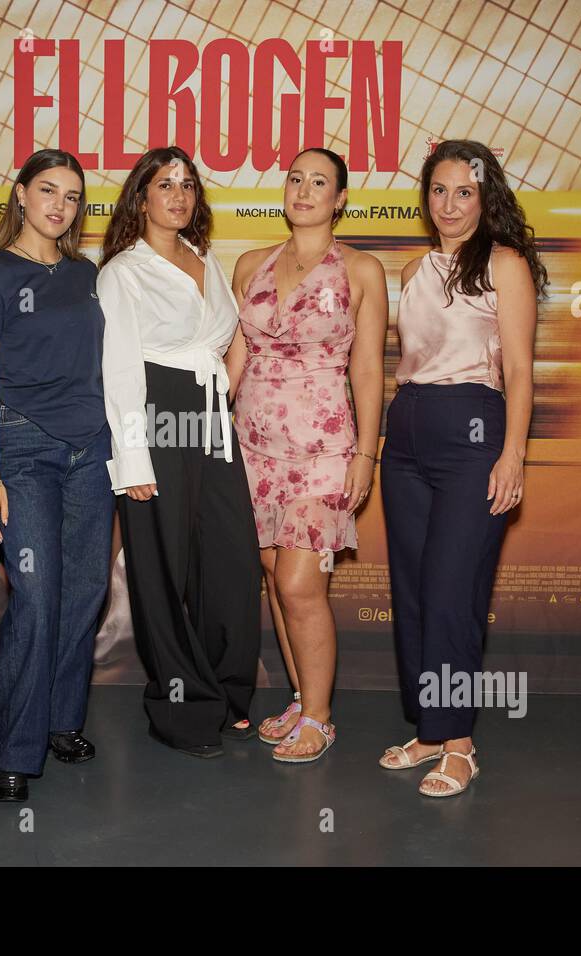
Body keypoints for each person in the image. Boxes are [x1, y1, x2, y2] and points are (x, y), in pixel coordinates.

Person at [377, 139, 542, 798]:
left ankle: (461, 743)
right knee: (414, 589)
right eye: (439, 191)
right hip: (409, 432)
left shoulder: (505, 265)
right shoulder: (415, 266)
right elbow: (407, 359)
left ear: (485, 196)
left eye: (463, 192)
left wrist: (513, 454)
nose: (449, 204)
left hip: (475, 436)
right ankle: (429, 728)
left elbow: (523, 373)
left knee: (452, 591)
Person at [97, 147, 262, 758]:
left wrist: (221, 412)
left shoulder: (203, 258)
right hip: (154, 409)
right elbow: (117, 370)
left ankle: (227, 688)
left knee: (231, 558)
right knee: (161, 567)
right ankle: (181, 708)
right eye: (164, 185)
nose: (178, 195)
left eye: (188, 185)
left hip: (210, 414)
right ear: (140, 198)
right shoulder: (121, 272)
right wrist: (133, 458)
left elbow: (228, 341)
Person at [226, 147, 388, 763]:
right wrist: (202, 429)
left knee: (299, 585)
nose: (304, 190)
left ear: (340, 198)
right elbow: (236, 360)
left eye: (319, 182)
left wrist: (367, 456)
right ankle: (300, 698)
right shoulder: (249, 265)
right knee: (272, 576)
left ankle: (321, 717)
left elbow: (369, 370)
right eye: (296, 178)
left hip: (324, 448)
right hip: (254, 448)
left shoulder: (362, 270)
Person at [0, 149, 113, 803]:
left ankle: (59, 721)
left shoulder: (87, 276)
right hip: (23, 452)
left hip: (91, 451)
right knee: (38, 594)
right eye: (47, 190)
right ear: (20, 195)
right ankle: (15, 751)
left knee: (83, 594)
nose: (59, 204)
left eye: (73, 195)